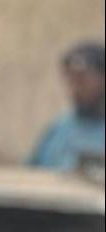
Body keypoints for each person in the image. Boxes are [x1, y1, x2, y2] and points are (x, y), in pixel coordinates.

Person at [29, 42, 105, 170]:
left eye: (81, 80)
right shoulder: (59, 128)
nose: (74, 89)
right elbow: (31, 171)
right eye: (70, 81)